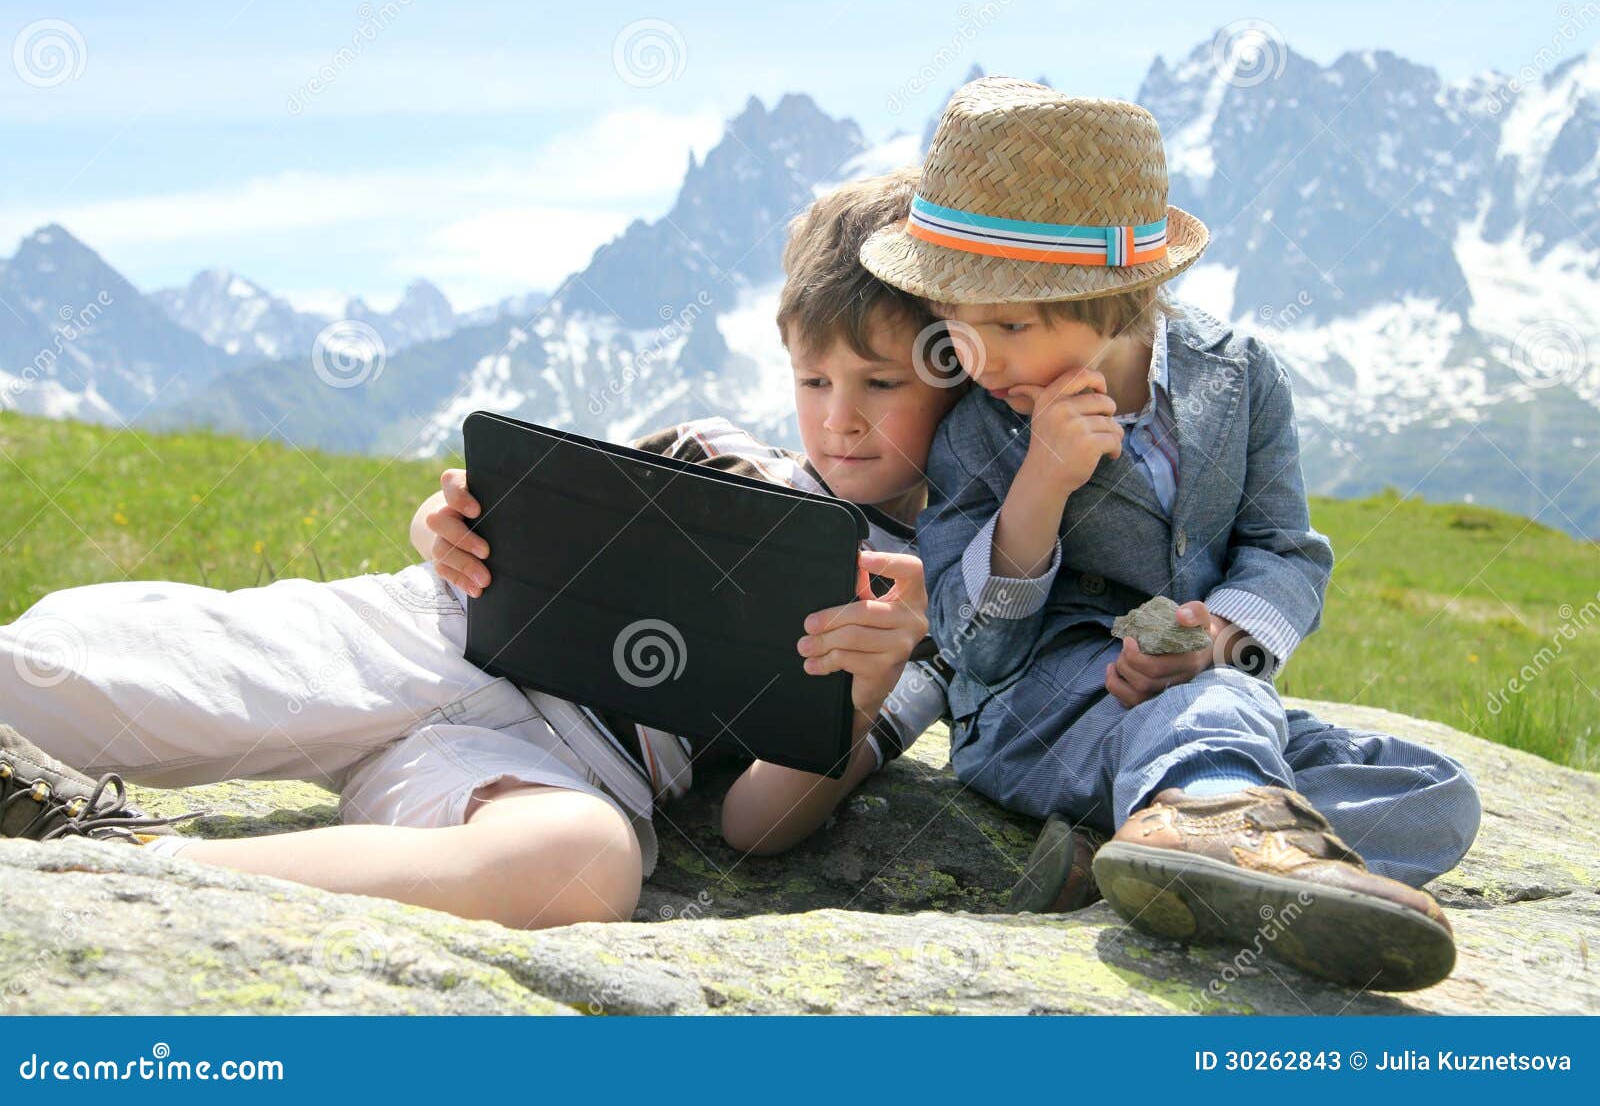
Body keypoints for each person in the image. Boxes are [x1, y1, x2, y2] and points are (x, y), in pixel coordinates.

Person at [0, 168, 959, 933]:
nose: (839, 419)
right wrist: (440, 522)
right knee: (56, 676)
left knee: (585, 865)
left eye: (879, 383)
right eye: (812, 379)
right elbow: (497, 519)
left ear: (957, 380)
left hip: (543, 767)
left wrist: (856, 694)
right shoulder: (713, 449)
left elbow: (756, 825)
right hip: (427, 639)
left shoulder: (920, 622)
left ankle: (127, 861)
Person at [859, 77, 1481, 991]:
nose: (977, 355)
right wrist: (1041, 485)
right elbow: (972, 644)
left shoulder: (1241, 376)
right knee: (1211, 713)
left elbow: (1285, 549)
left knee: (1437, 796)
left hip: (1208, 693)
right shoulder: (980, 431)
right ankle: (1228, 832)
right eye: (955, 324)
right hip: (1038, 719)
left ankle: (1153, 847)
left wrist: (1223, 638)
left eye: (1011, 324)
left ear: (1120, 301)